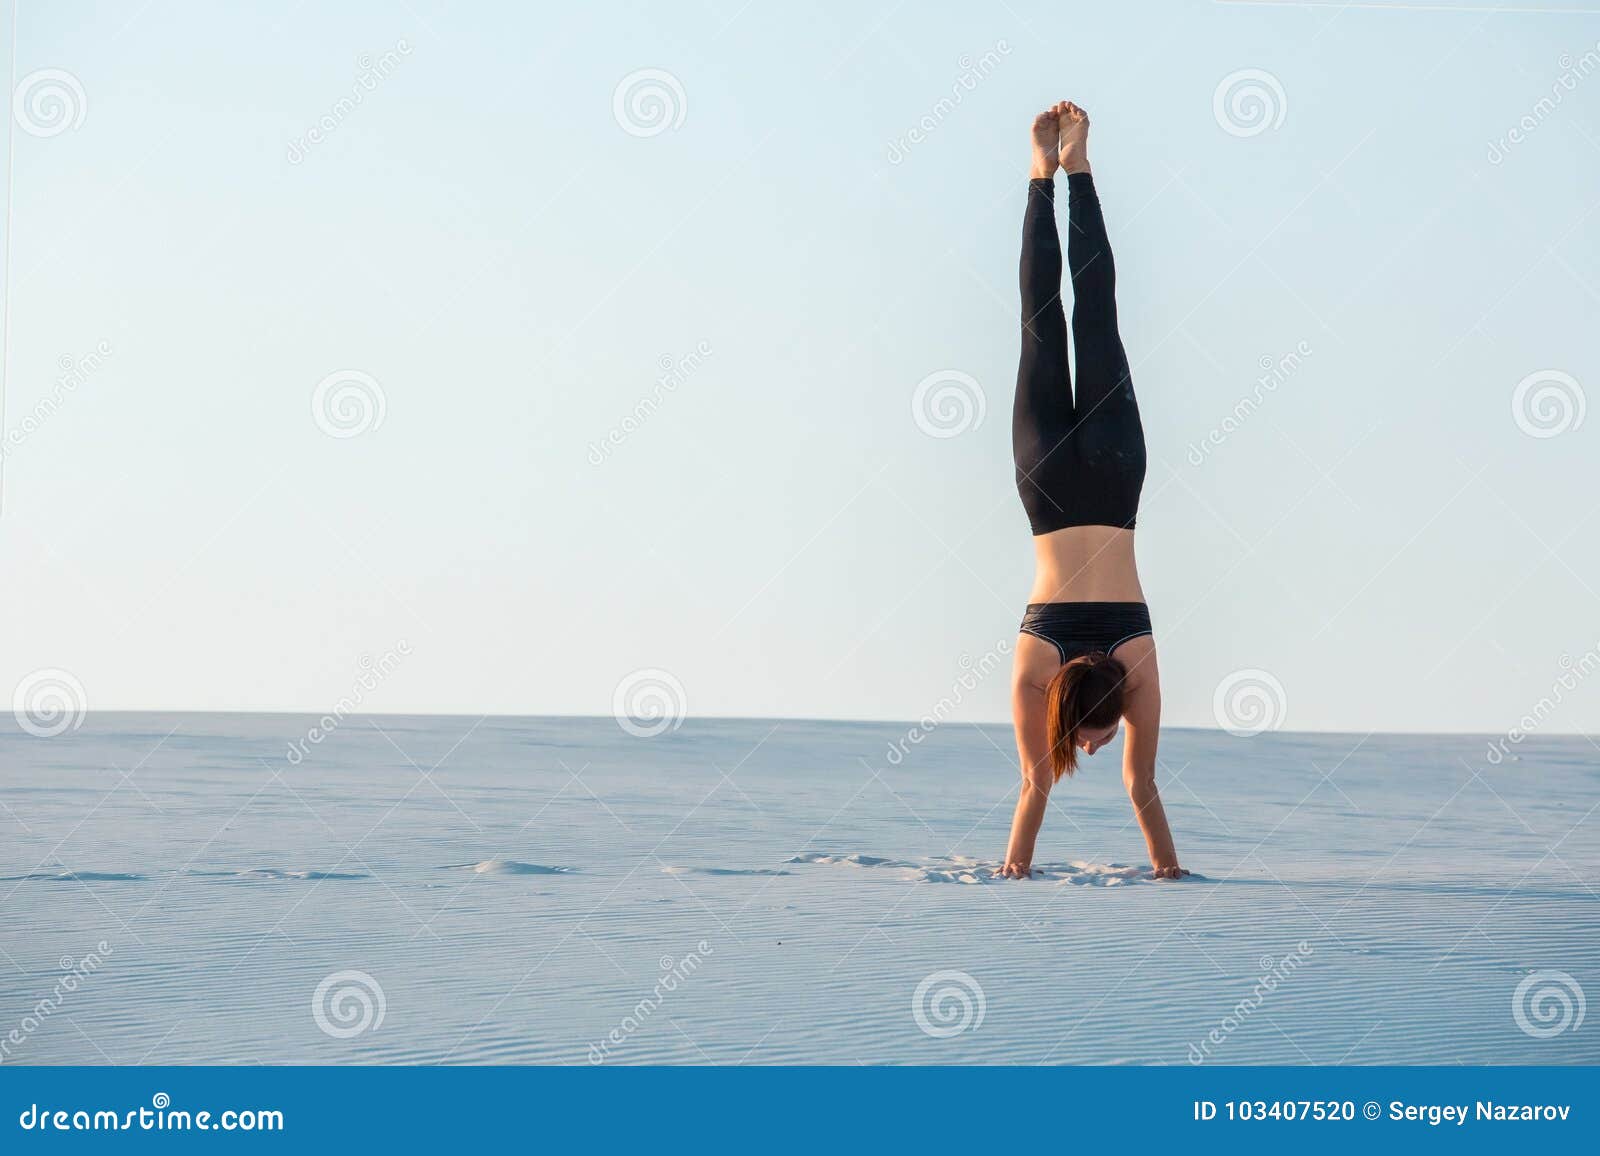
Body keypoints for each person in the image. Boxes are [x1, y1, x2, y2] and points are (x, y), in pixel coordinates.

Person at [1001, 101, 1186, 881]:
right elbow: (1035, 782)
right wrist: (1014, 861)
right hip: (1045, 486)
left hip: (1113, 480)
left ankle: (1076, 166)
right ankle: (1044, 174)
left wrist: (1168, 866)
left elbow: (1143, 787)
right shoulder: (1036, 671)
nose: (1099, 747)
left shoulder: (1134, 661)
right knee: (1042, 326)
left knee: (1099, 322)